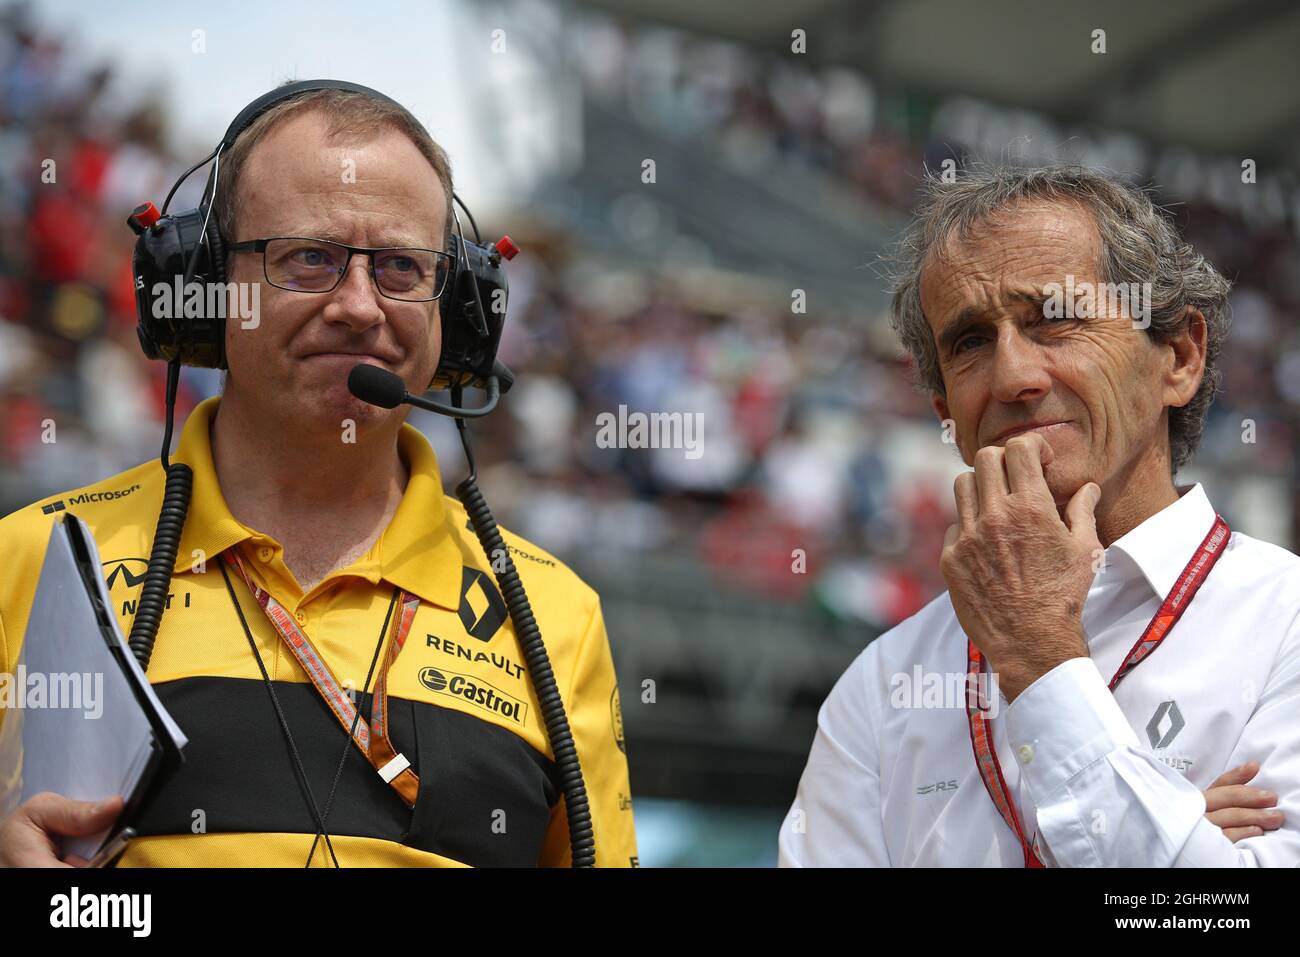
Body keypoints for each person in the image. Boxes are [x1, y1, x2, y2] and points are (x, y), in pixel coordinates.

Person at [0, 83, 637, 867]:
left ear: (461, 310)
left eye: (403, 266)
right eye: (312, 258)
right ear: (205, 288)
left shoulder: (557, 617)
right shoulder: (28, 562)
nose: (360, 306)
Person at [779, 164, 1299, 867]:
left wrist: (1040, 655)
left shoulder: (1285, 621)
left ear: (1178, 356)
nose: (1013, 377)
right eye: (969, 342)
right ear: (946, 414)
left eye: (1055, 317)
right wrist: (1171, 837)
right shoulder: (879, 687)